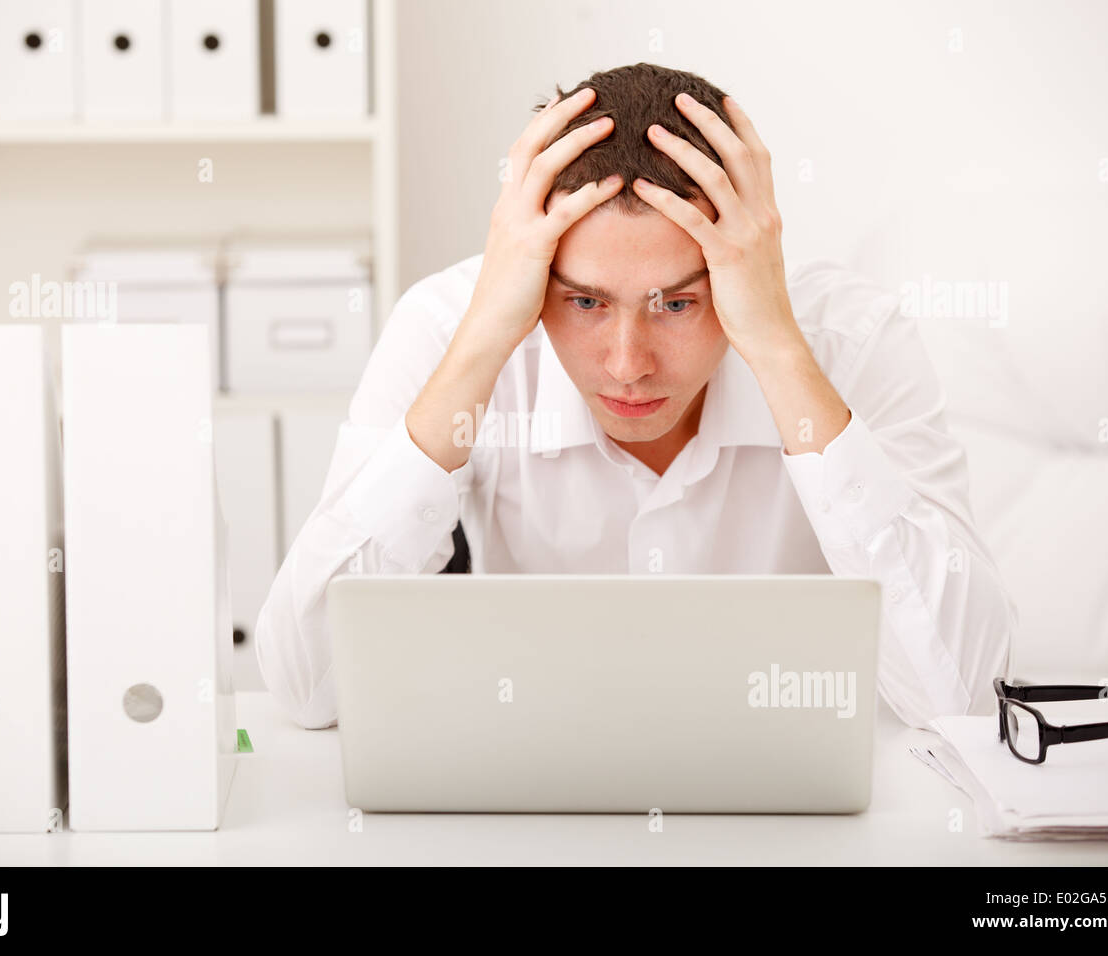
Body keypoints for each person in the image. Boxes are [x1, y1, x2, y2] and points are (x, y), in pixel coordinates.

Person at [254, 62, 1016, 731]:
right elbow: (304, 685)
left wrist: (779, 349)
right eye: (585, 302)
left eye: (677, 304)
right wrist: (483, 340)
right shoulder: (450, 327)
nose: (627, 365)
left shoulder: (855, 341)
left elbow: (964, 697)